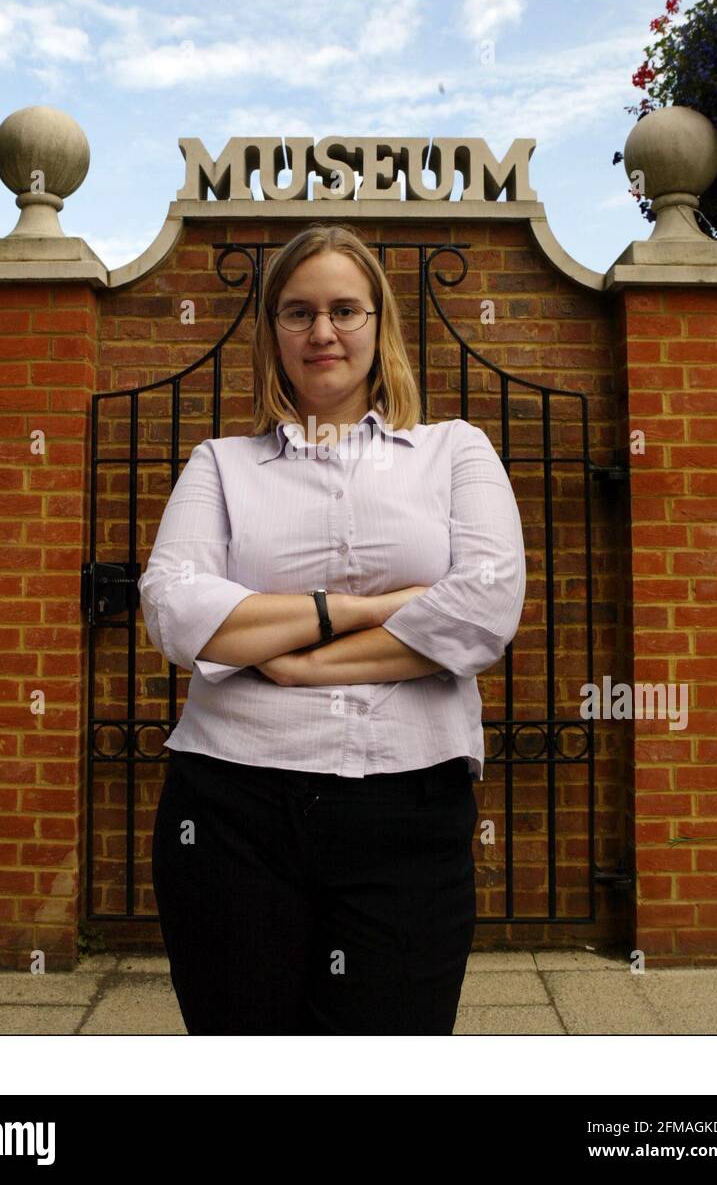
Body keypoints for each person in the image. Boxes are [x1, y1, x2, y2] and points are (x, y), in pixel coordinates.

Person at [139, 223, 526, 1035]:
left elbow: (484, 607)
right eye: (297, 312)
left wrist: (292, 657)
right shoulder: (219, 465)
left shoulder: (455, 452)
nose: (322, 332)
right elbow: (175, 610)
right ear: (273, 334)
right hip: (229, 810)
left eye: (345, 310)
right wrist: (362, 607)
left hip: (409, 814)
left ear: (379, 324)